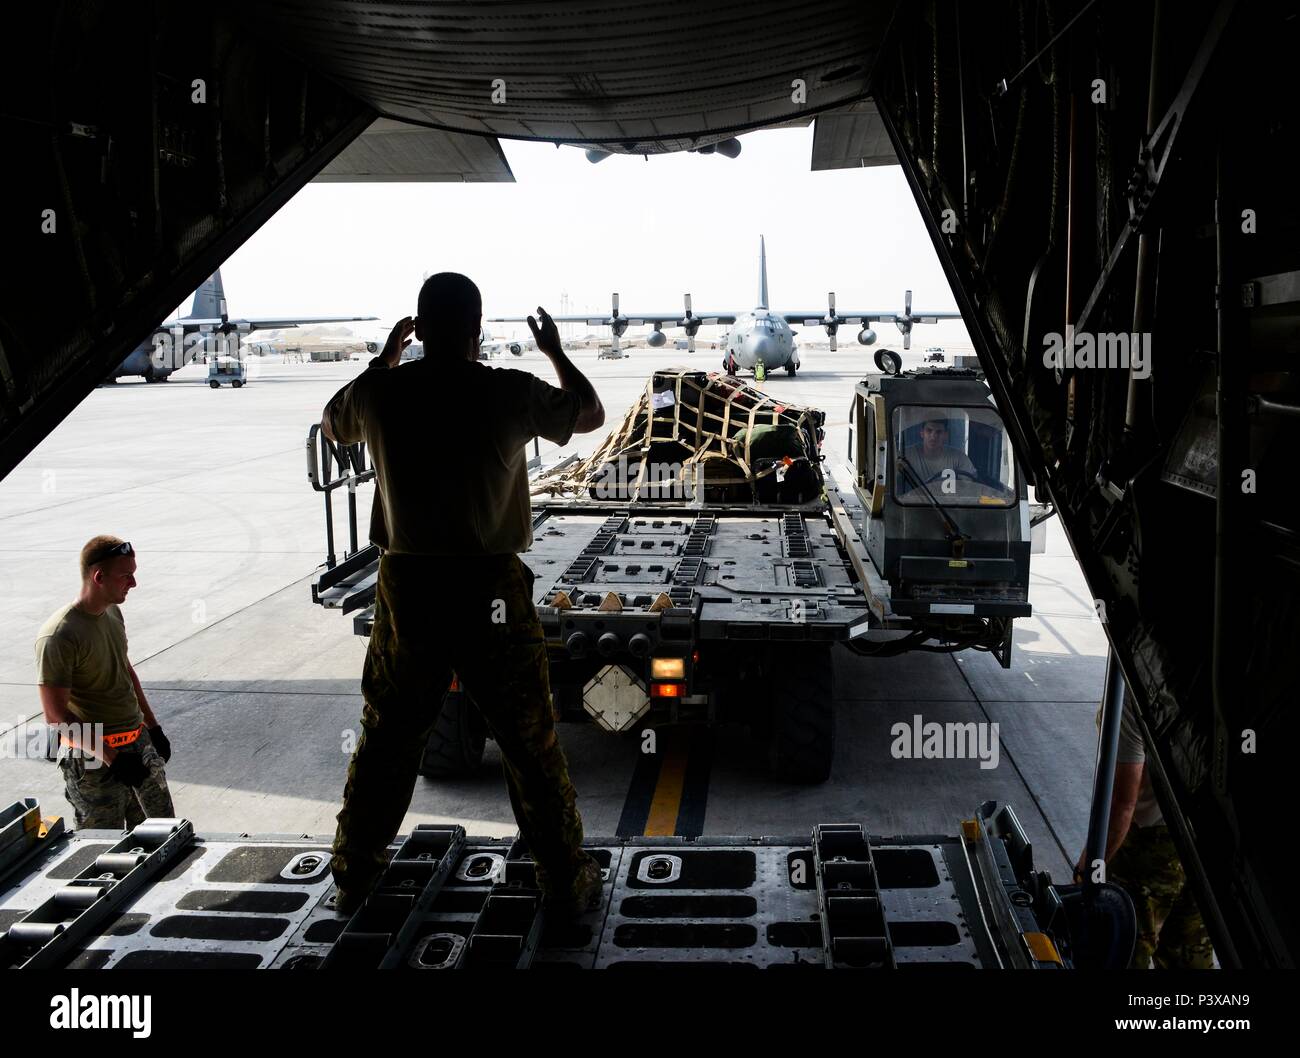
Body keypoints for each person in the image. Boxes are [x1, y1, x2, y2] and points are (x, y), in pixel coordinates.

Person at [321, 272, 606, 917]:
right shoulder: (506, 390)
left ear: (419, 329)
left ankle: (356, 874)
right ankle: (563, 878)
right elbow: (588, 413)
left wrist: (385, 360)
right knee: (527, 739)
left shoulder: (382, 393)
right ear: (479, 332)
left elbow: (333, 424)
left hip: (410, 585)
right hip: (489, 588)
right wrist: (555, 352)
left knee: (389, 736)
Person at [35, 536, 174, 829]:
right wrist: (114, 759)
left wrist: (153, 727)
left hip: (138, 745)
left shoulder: (112, 612)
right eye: (126, 575)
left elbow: (125, 671)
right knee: (104, 851)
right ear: (98, 577)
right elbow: (56, 717)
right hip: (93, 763)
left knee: (164, 838)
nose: (133, 583)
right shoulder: (59, 635)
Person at [1074, 689, 1214, 968]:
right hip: (1205, 838)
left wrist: (1085, 869)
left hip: (1149, 850)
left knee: (1122, 950)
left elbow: (1123, 803)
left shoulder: (1132, 693)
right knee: (1188, 953)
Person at [899, 417, 978, 493]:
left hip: (947, 506)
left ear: (946, 435)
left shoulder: (959, 458)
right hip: (911, 505)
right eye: (929, 431)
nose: (933, 437)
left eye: (938, 432)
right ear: (922, 433)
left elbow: (970, 488)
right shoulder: (906, 455)